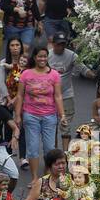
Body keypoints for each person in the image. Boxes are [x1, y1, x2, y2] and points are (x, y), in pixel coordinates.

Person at [13, 44, 65, 179]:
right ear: (35, 58)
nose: (42, 59)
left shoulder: (54, 75)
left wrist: (62, 115)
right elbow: (20, 96)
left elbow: (58, 96)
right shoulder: (26, 74)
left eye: (45, 56)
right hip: (31, 115)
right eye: (40, 56)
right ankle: (35, 178)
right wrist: (18, 115)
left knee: (49, 148)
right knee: (33, 148)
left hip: (49, 115)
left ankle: (48, 178)